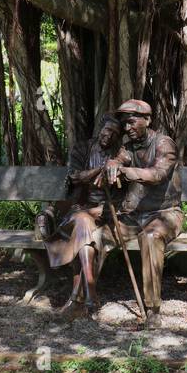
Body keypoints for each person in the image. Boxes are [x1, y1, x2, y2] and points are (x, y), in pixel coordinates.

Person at [35, 113, 127, 317]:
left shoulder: (120, 154)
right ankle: (91, 294)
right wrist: (100, 169)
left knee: (85, 237)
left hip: (106, 212)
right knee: (84, 221)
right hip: (78, 209)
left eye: (114, 133)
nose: (108, 136)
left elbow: (125, 179)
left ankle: (82, 297)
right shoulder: (82, 148)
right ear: (99, 130)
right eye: (106, 130)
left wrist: (115, 168)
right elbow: (75, 177)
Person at [107, 99, 182, 326]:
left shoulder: (164, 144)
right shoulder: (128, 146)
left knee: (149, 237)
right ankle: (83, 300)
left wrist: (127, 172)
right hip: (132, 215)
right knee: (94, 235)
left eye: (131, 122)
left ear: (147, 120)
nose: (127, 128)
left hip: (165, 214)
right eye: (124, 124)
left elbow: (157, 175)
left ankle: (153, 309)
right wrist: (112, 163)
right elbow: (120, 158)